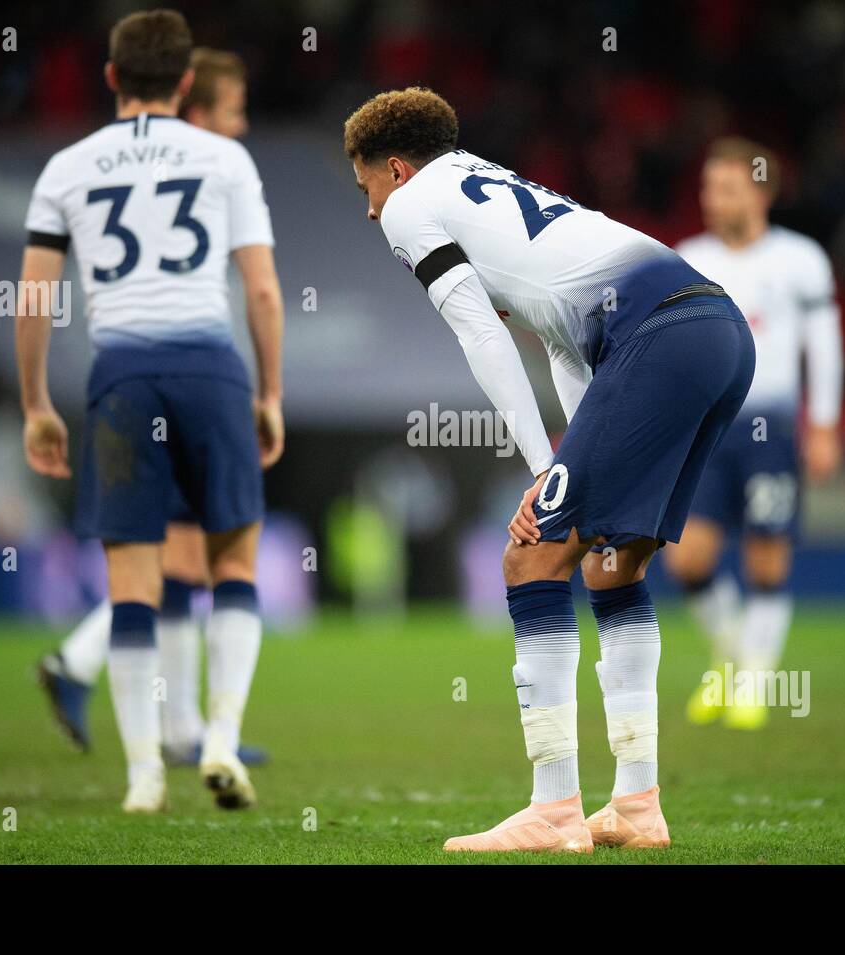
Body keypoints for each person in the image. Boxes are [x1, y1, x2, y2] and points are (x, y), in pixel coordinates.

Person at [344, 88, 755, 852]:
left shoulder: (409, 207)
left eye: (365, 186)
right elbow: (569, 346)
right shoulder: (493, 184)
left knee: (531, 551)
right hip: (718, 330)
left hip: (658, 336)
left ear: (394, 169)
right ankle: (636, 803)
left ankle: (554, 808)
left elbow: (481, 339)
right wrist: (571, 461)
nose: (370, 211)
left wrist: (543, 470)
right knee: (608, 561)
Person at [18, 11, 284, 812]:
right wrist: (270, 391)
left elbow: (35, 293)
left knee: (132, 582)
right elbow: (264, 290)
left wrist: (35, 401)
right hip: (211, 370)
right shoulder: (225, 157)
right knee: (231, 565)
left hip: (121, 377)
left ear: (110, 78)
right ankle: (216, 737)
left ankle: (141, 778)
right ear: (185, 83)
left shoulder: (66, 165)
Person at [665, 138, 844, 730]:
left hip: (773, 425)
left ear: (761, 191)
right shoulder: (687, 258)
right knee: (687, 556)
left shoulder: (801, 260)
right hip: (705, 427)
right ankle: (732, 659)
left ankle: (755, 680)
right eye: (707, 189)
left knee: (767, 554)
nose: (713, 201)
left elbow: (823, 346)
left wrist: (823, 423)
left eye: (727, 189)